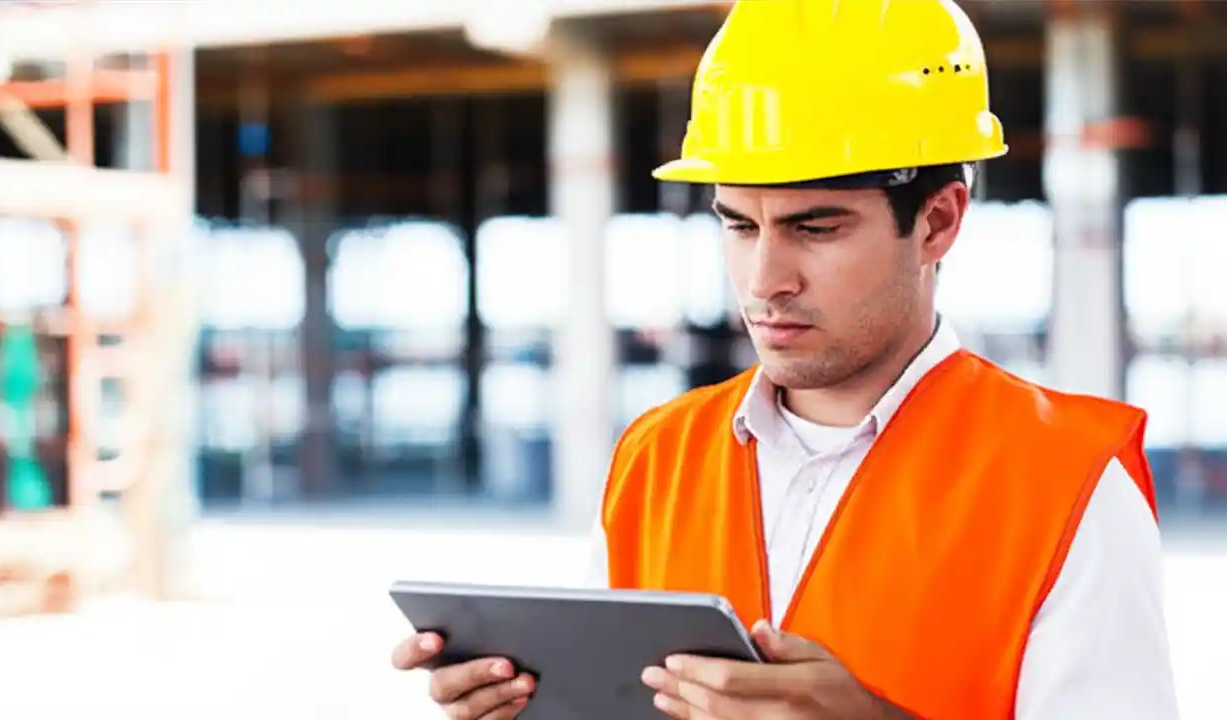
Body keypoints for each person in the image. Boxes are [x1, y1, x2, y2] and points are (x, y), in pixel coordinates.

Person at [391, 1, 1178, 717]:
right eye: (738, 225)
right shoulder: (657, 456)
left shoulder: (1067, 481)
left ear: (938, 222)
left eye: (815, 228)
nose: (765, 281)